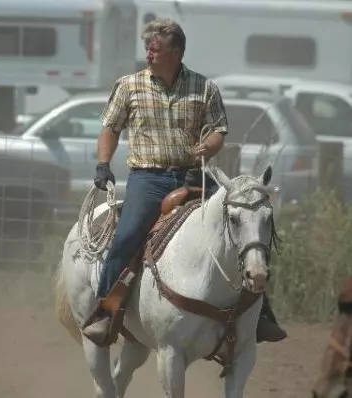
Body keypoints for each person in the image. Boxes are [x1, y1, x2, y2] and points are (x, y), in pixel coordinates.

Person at [83, 18, 287, 344]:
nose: (148, 54)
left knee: (247, 222)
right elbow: (110, 127)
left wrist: (209, 146)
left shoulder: (205, 88)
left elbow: (219, 130)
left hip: (195, 174)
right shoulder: (128, 86)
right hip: (148, 178)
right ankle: (106, 312)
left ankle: (260, 313)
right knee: (127, 236)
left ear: (176, 52)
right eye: (148, 48)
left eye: (156, 49)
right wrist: (103, 163)